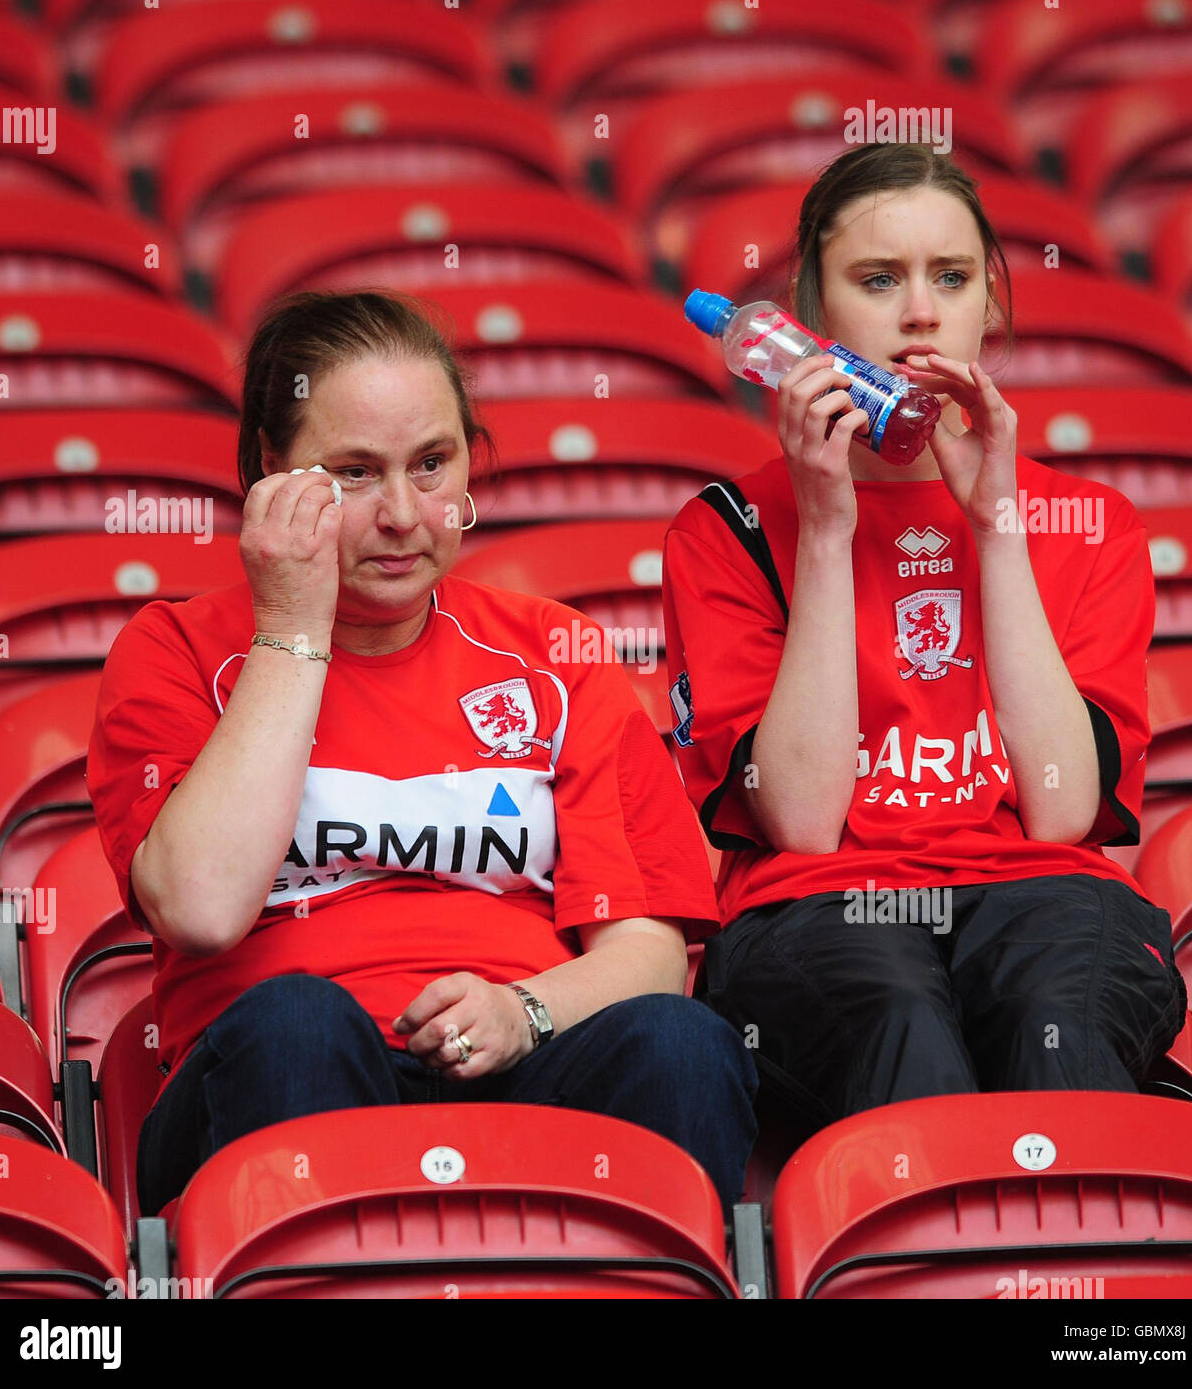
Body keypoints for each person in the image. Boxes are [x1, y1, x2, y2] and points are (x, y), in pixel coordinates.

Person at [86, 290, 757, 1218]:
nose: (405, 514)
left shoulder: (552, 656)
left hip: (520, 1063)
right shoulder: (177, 653)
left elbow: (645, 950)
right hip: (280, 1078)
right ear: (272, 472)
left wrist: (524, 1013)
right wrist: (291, 625)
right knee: (298, 1021)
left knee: (683, 1042)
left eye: (432, 465)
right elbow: (199, 909)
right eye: (355, 474)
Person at [662, 142, 1187, 1134]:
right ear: (807, 315)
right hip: (821, 902)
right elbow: (808, 823)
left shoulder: (1088, 521)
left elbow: (1064, 811)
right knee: (905, 1026)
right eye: (877, 279)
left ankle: (1097, 1288)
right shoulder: (724, 527)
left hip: (1042, 892)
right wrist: (826, 529)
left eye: (951, 277)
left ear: (991, 303)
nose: (919, 311)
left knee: (1057, 1023)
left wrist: (995, 522)